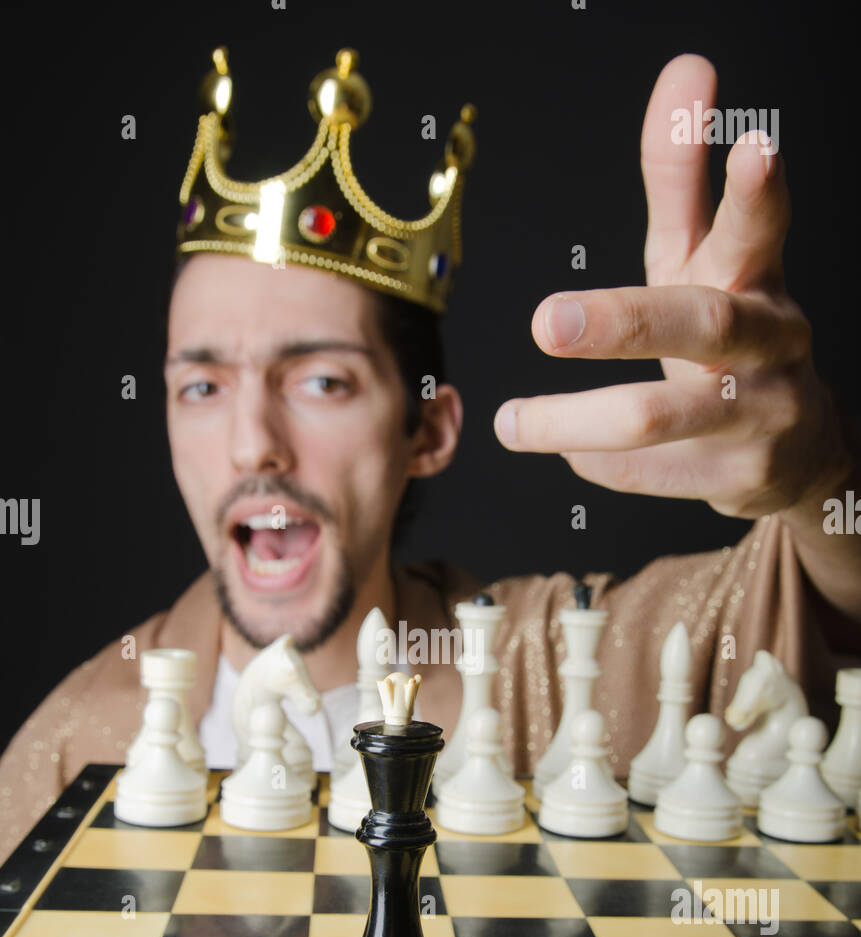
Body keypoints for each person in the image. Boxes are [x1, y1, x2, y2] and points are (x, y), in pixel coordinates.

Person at [0, 48, 858, 861]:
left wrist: (819, 481)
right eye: (202, 387)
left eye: (322, 382)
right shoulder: (71, 745)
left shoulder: (559, 670)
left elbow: (822, 619)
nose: (252, 443)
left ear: (429, 431)